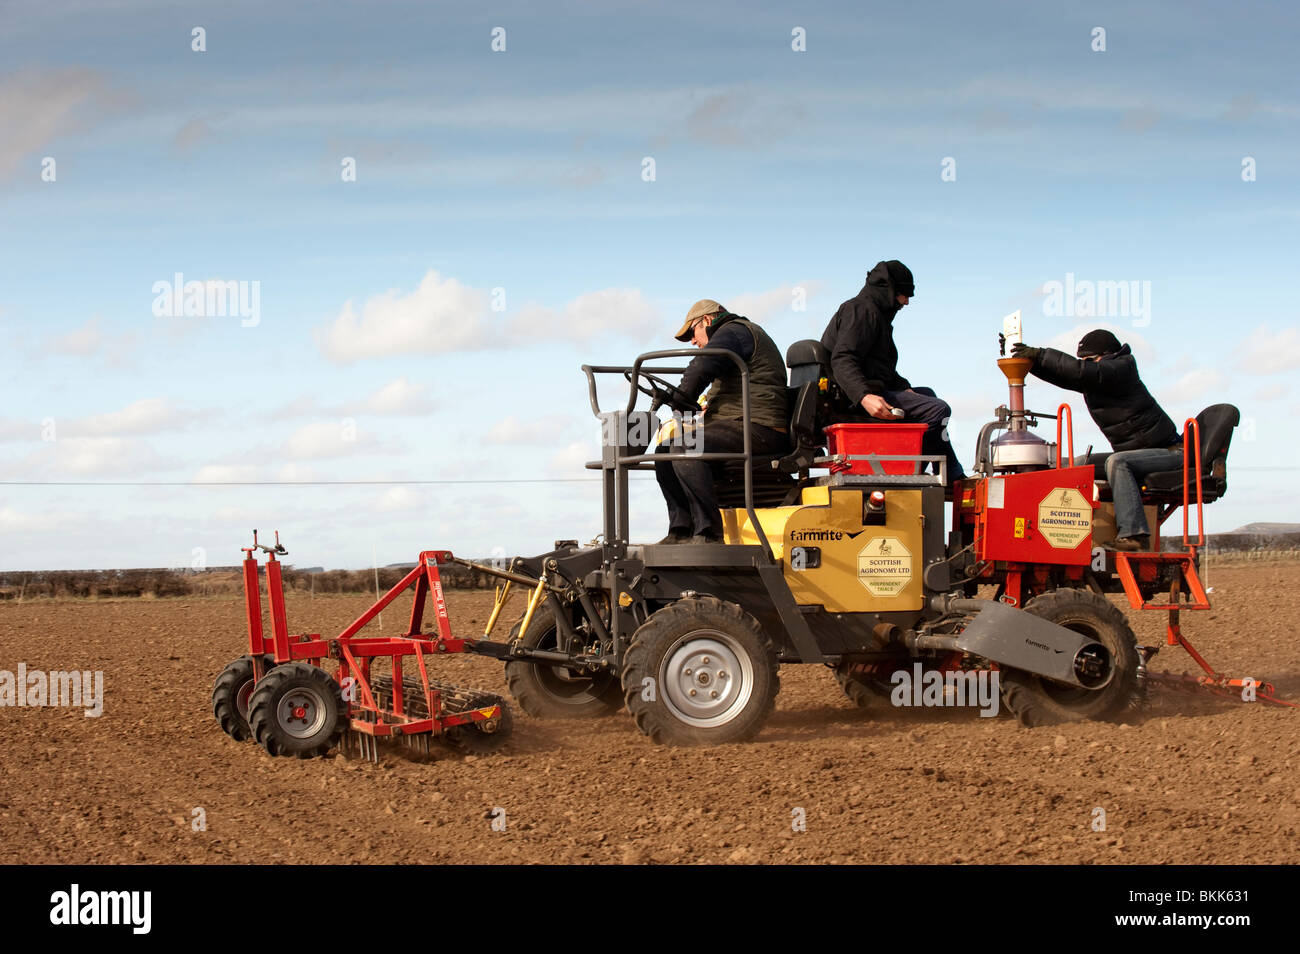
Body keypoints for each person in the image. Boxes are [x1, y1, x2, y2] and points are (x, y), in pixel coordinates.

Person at [1012, 329, 1180, 552]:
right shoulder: (1099, 377)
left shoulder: (1122, 368)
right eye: (1083, 361)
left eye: (1090, 360)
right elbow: (1068, 375)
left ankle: (1134, 536)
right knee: (1079, 463)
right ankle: (1059, 540)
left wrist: (1040, 354)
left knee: (1118, 463)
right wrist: (1027, 362)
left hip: (1170, 453)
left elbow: (1081, 372)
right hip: (1139, 454)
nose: (1086, 365)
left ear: (1108, 355)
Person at [654, 300, 790, 544]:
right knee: (664, 451)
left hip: (761, 428)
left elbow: (702, 366)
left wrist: (681, 399)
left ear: (706, 321)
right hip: (739, 424)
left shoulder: (734, 332)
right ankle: (681, 530)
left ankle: (708, 533)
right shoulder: (734, 339)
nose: (693, 342)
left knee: (686, 447)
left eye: (692, 333)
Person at [819, 260, 966, 481]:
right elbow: (843, 359)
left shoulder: (876, 315)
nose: (906, 302)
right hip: (850, 398)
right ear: (888, 290)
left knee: (927, 394)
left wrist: (905, 390)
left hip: (869, 388)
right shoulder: (862, 311)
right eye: (904, 294)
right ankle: (913, 473)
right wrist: (864, 397)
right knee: (938, 410)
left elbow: (880, 369)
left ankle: (952, 474)